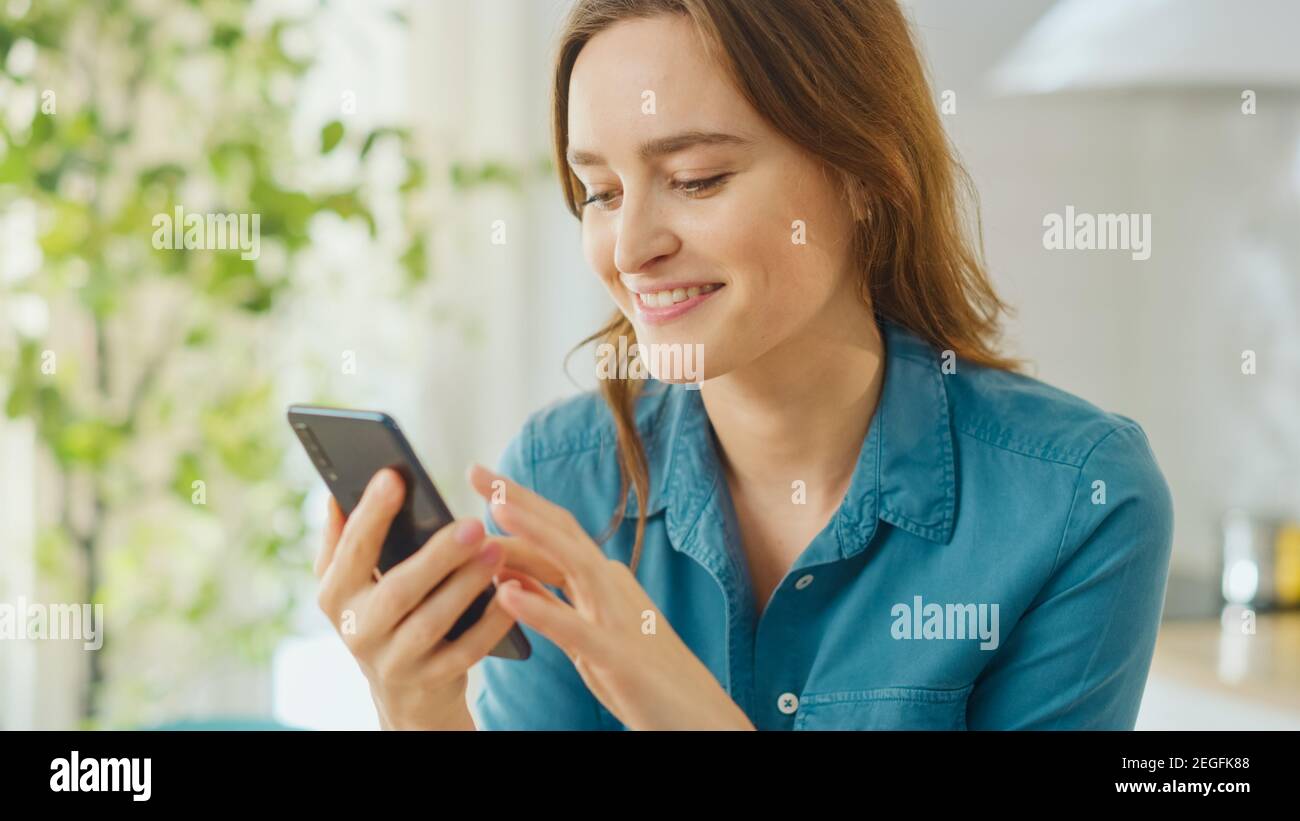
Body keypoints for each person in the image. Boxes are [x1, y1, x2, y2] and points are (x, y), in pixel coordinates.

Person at [314, 0, 1174, 730]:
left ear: (868, 173)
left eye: (696, 177)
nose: (632, 248)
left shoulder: (1074, 500)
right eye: (601, 193)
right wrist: (421, 706)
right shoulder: (562, 481)